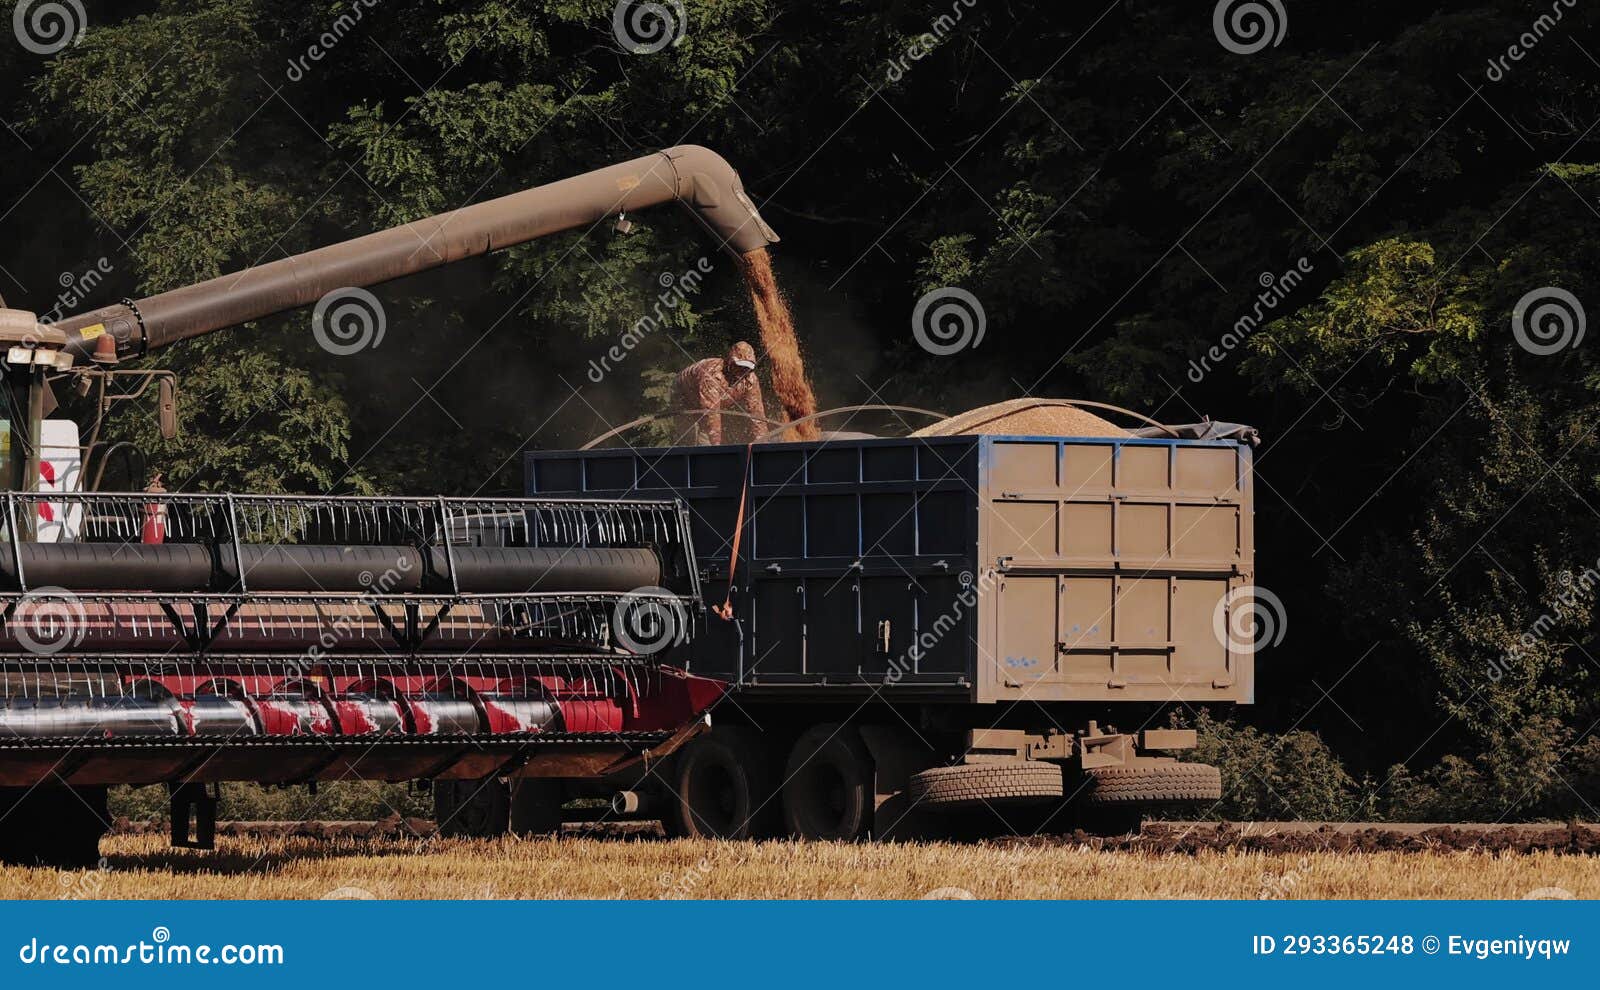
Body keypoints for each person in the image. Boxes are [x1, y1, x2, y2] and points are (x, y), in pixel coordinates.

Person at [672, 341, 767, 444]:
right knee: (694, 435)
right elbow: (711, 414)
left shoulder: (750, 379)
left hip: (713, 397)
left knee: (725, 430)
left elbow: (756, 412)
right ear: (730, 362)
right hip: (684, 393)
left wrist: (762, 444)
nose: (742, 371)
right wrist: (717, 449)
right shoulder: (711, 375)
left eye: (747, 368)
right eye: (739, 366)